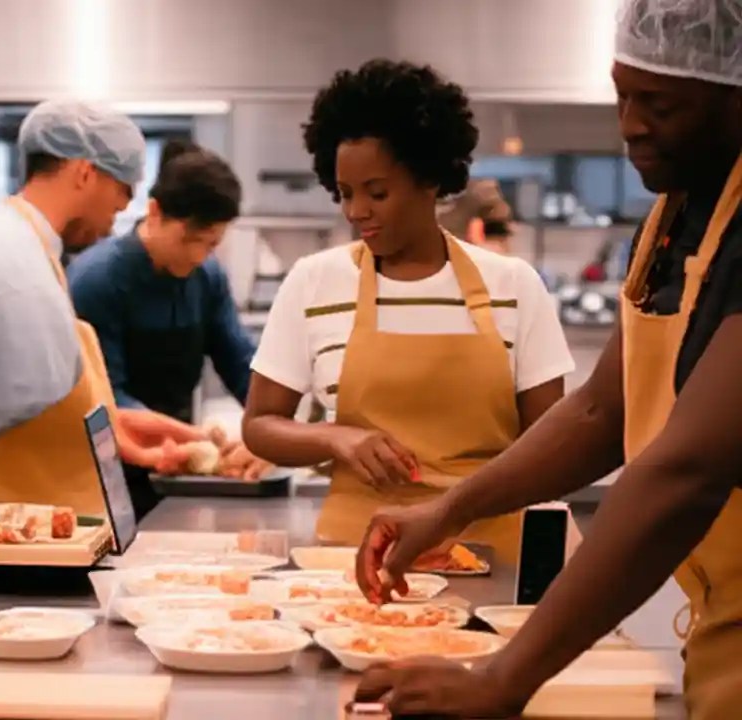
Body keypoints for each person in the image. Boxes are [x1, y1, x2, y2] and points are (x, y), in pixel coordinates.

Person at [351, 3, 742, 717]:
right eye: (622, 96)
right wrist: (450, 510)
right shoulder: (675, 218)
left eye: (660, 105)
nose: (630, 125)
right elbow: (601, 411)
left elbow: (688, 471)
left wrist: (502, 679)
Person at [241, 59, 574, 563]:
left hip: (490, 553)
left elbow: (552, 445)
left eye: (377, 193)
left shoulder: (513, 286)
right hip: (358, 558)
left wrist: (456, 506)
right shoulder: (314, 283)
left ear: (430, 178)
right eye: (345, 193)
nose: (357, 211)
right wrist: (336, 438)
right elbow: (260, 424)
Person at [0, 100, 205, 513]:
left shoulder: (23, 246)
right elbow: (34, 414)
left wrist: (122, 427)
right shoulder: (9, 261)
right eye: (120, 196)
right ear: (85, 173)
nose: (113, 222)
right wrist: (117, 431)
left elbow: (43, 407)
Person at [67, 140, 271, 511]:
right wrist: (191, 438)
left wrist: (271, 429)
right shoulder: (96, 280)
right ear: (154, 211)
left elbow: (239, 361)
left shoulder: (208, 277)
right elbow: (107, 396)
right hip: (108, 466)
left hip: (178, 468)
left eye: (211, 245)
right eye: (189, 240)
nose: (198, 255)